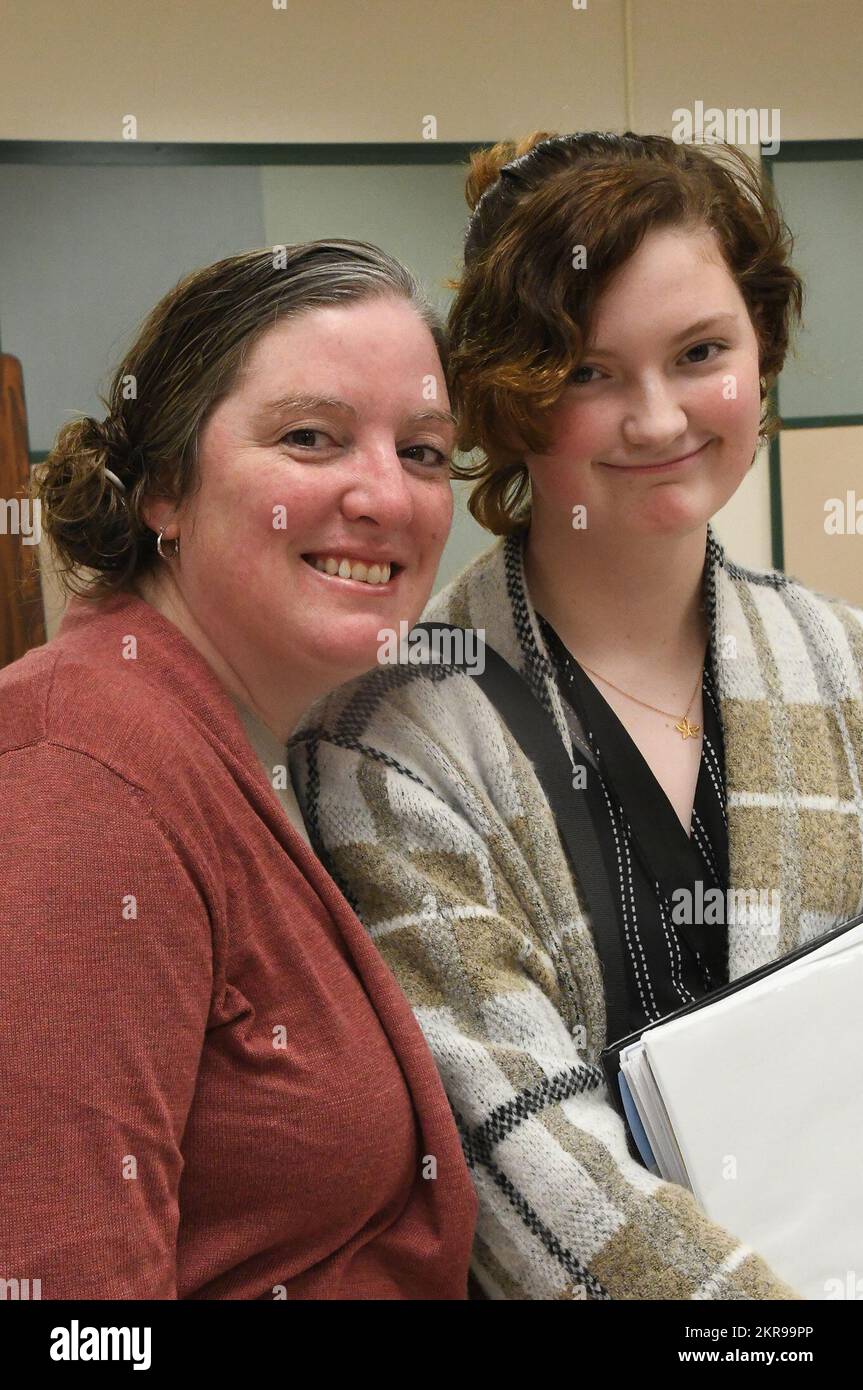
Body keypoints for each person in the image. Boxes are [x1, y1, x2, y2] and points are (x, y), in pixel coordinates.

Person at [289, 133, 863, 1299]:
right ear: (509, 394)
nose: (656, 421)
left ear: (761, 348)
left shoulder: (839, 661)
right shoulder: (388, 736)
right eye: (590, 373)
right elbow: (517, 1156)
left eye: (700, 351)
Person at [0, 241, 477, 1299]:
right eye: (310, 438)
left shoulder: (264, 744)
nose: (385, 497)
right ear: (164, 487)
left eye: (425, 451)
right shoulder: (81, 774)